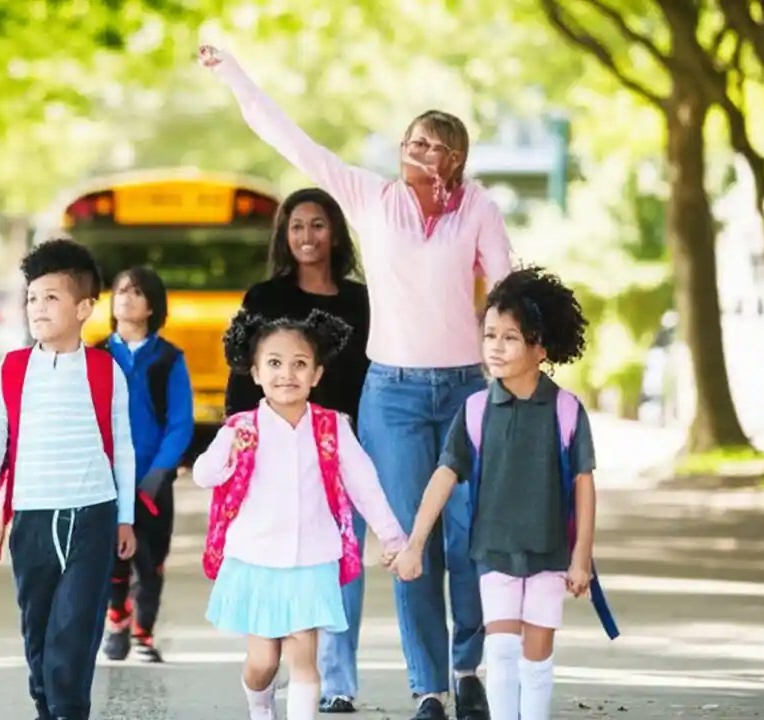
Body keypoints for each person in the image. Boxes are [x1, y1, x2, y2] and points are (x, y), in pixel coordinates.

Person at [201, 43, 514, 719]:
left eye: (431, 144)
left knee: (466, 538)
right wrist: (236, 77)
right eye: (410, 141)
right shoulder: (371, 198)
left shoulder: (479, 208)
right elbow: (292, 139)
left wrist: (521, 371)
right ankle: (427, 686)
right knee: (412, 541)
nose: (416, 152)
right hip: (395, 396)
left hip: (465, 390)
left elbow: (508, 288)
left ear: (454, 158)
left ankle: (469, 667)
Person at [393, 266, 614, 720]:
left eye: (509, 337)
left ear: (540, 347)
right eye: (489, 334)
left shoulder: (566, 410)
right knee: (501, 653)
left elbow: (584, 486)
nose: (495, 346)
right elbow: (443, 475)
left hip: (549, 555)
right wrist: (415, 543)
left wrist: (580, 558)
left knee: (536, 661)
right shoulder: (475, 410)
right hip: (493, 554)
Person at [194, 308, 408, 720]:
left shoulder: (332, 427)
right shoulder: (242, 427)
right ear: (255, 373)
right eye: (273, 363)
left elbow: (365, 483)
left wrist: (394, 538)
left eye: (299, 364)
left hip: (311, 560)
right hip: (256, 561)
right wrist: (228, 452)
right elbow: (204, 475)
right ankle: (261, 707)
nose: (286, 374)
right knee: (263, 664)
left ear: (317, 373)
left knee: (304, 659)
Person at [0, 238, 137, 720]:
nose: (37, 308)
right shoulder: (14, 370)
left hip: (92, 516)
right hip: (32, 519)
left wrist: (124, 518)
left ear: (84, 307)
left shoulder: (106, 370)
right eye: (31, 298)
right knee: (38, 629)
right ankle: (48, 707)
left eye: (52, 298)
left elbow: (122, 448)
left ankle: (69, 710)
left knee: (77, 628)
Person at [96, 266, 195, 662]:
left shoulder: (168, 359)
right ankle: (116, 619)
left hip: (152, 479)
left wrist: (161, 470)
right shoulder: (97, 356)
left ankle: (143, 633)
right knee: (110, 556)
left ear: (152, 305)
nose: (125, 298)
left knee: (150, 558)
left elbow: (180, 422)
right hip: (106, 478)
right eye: (120, 291)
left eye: (136, 292)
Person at [224, 187, 369, 430]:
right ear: (285, 236)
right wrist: (239, 431)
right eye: (297, 227)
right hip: (278, 435)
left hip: (348, 436)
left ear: (335, 235)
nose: (307, 237)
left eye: (317, 226)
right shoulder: (265, 297)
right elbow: (243, 377)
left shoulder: (362, 300)